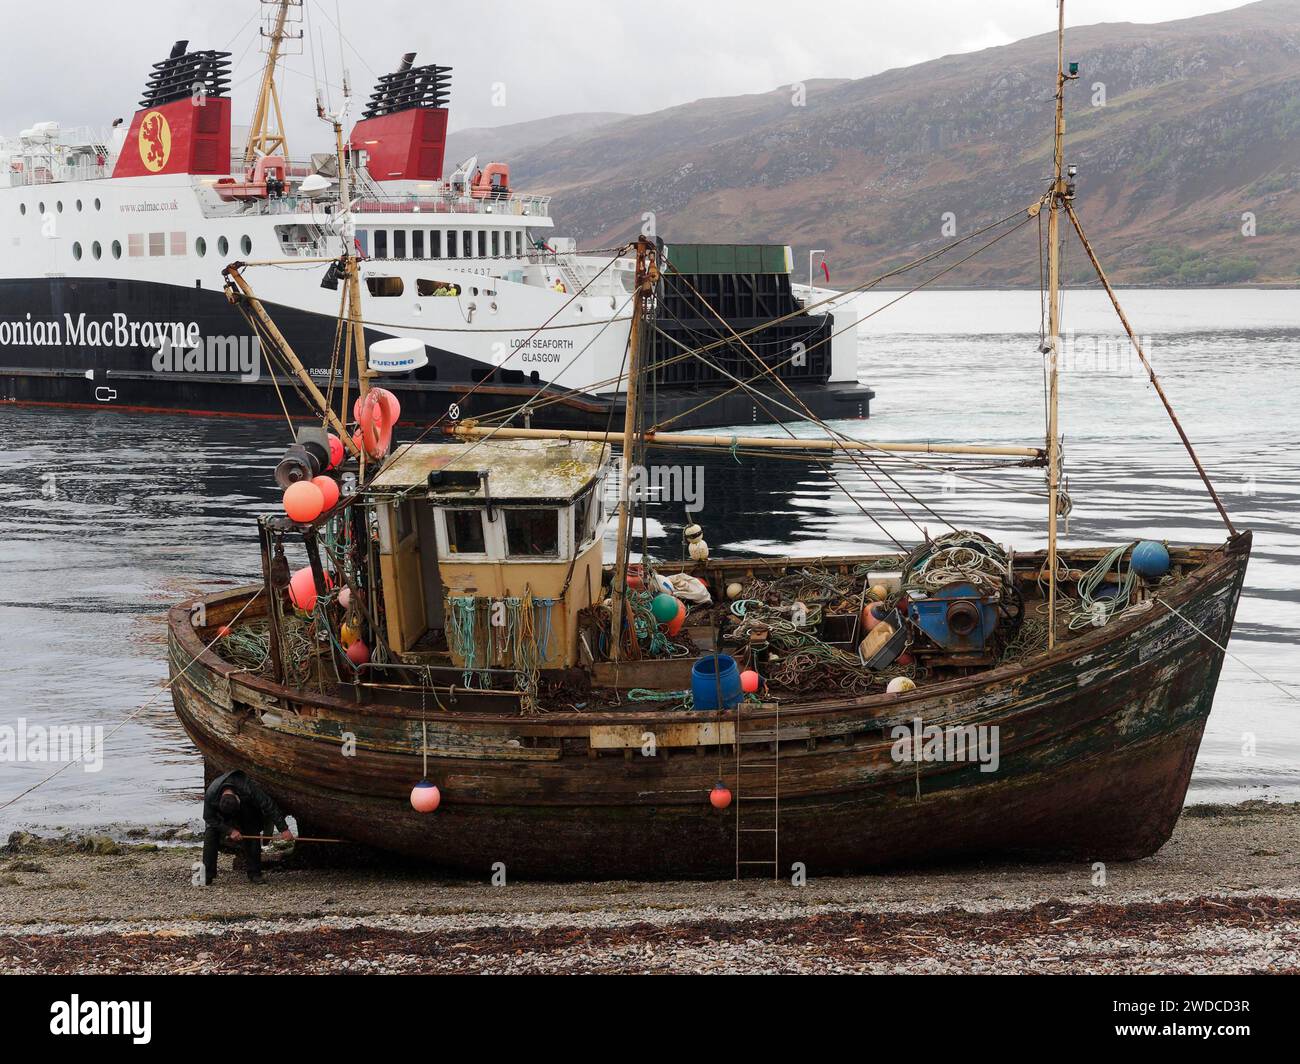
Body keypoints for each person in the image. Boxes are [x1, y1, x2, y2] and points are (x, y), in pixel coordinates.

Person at [201, 769, 293, 885]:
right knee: (210, 834)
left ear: (237, 797)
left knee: (252, 831)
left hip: (245, 809)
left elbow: (268, 804)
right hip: (221, 816)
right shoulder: (211, 794)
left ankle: (255, 873)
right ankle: (207, 874)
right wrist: (229, 830)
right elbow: (208, 817)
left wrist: (283, 829)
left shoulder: (247, 787)